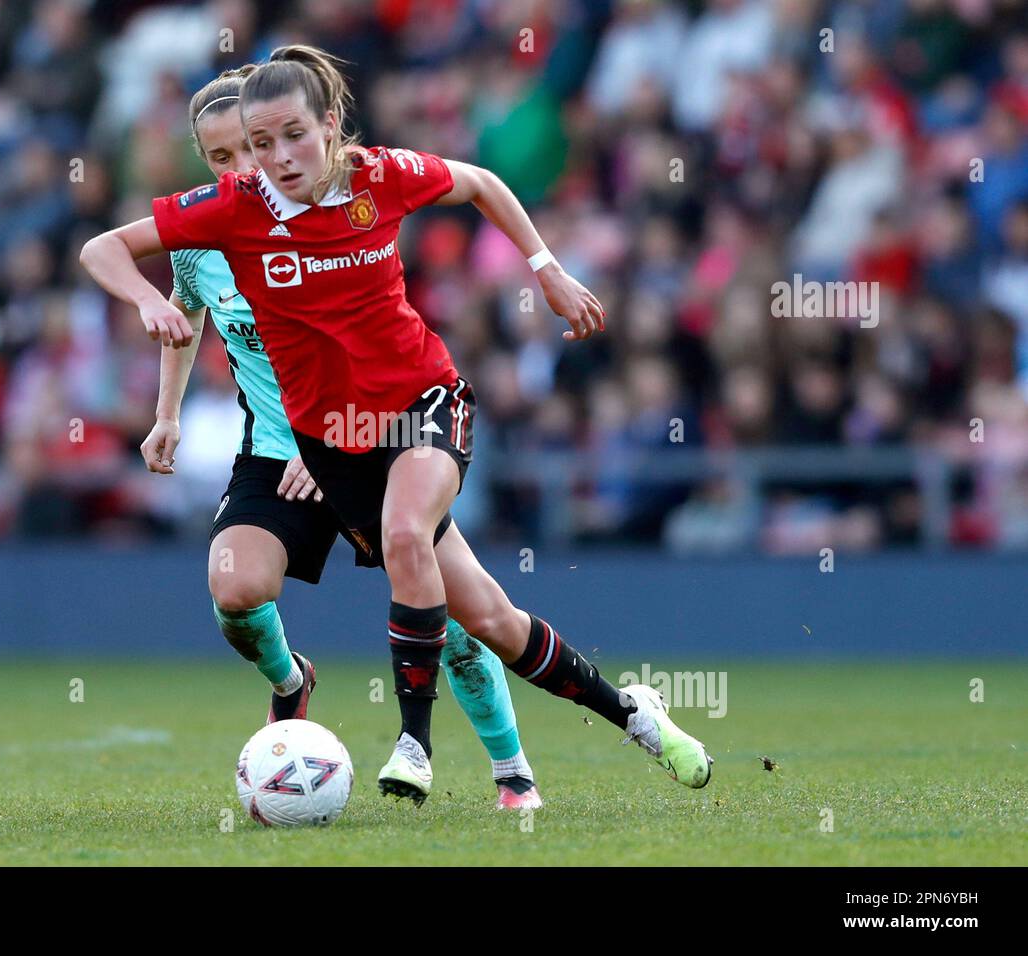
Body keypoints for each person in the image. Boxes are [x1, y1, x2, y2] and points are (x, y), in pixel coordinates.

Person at [82, 45, 712, 805]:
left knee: (410, 535)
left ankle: (419, 742)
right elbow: (102, 248)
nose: (273, 159)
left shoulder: (379, 176)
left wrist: (545, 266)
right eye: (256, 146)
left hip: (424, 401)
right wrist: (147, 306)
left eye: (291, 137)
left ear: (331, 126)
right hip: (328, 440)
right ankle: (634, 713)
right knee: (490, 620)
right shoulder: (230, 214)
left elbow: (479, 182)